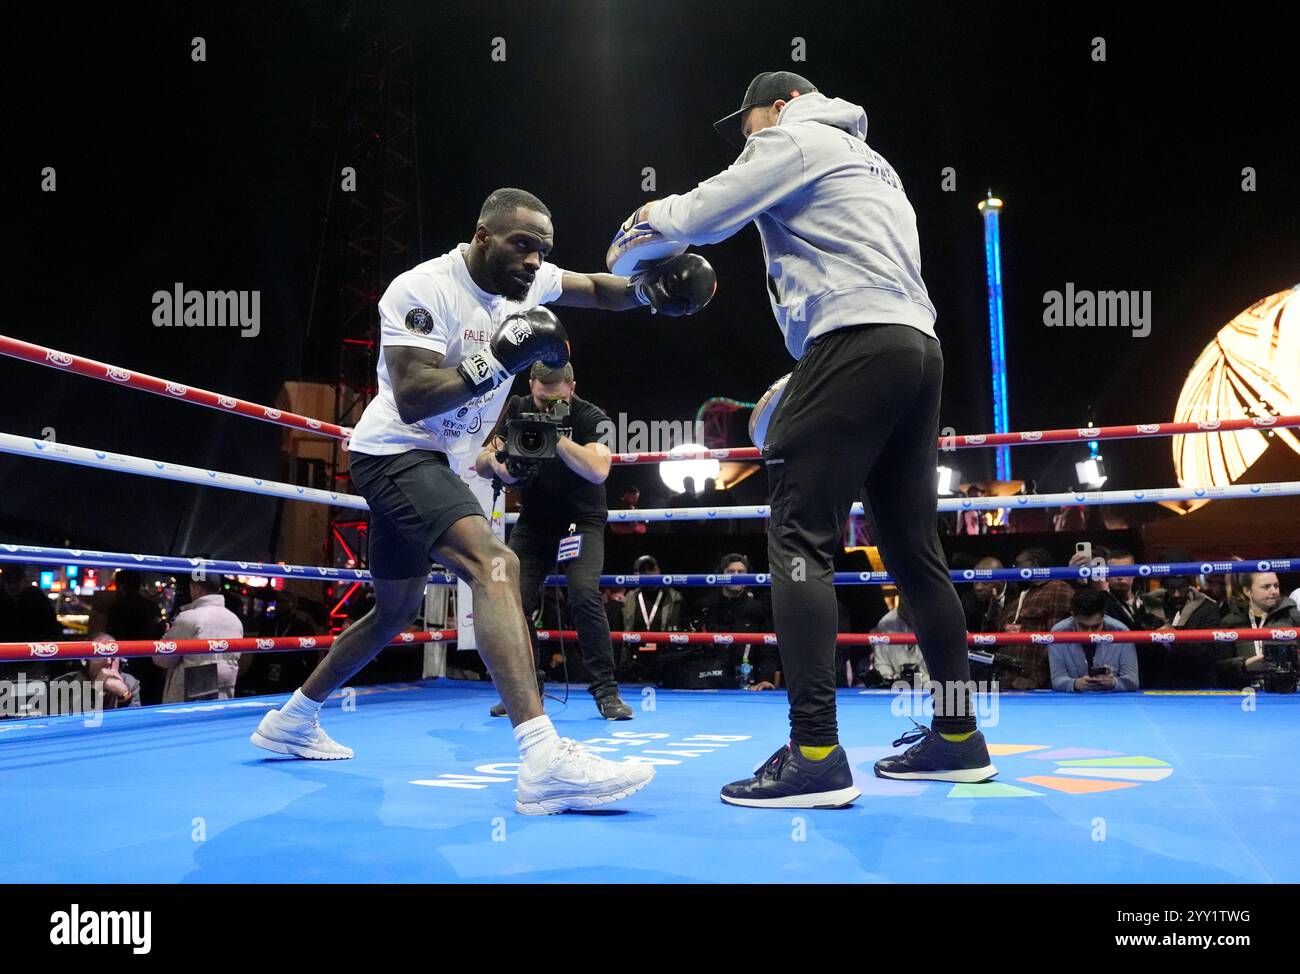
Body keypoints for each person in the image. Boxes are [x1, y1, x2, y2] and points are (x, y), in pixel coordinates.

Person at [253, 188, 711, 814]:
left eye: (542, 251)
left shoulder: (530, 286)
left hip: (436, 459)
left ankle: (292, 719)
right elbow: (413, 395)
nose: (533, 261)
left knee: (393, 612)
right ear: (482, 236)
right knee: (496, 564)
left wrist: (648, 293)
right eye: (522, 245)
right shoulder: (421, 289)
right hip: (394, 449)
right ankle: (542, 755)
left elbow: (598, 289)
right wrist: (497, 357)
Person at [635, 72, 996, 807]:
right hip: (916, 347)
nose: (748, 141)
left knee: (798, 535)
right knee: (914, 552)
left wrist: (643, 223)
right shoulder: (877, 165)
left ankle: (816, 755)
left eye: (750, 125)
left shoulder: (794, 135)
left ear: (778, 105)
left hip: (855, 341)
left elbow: (703, 216)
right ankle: (960, 737)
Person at [476, 361, 632, 719]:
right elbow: (482, 459)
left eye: (555, 401)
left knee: (582, 592)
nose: (546, 408)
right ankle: (526, 690)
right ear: (531, 385)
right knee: (512, 597)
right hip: (536, 520)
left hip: (581, 519)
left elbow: (598, 469)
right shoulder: (518, 407)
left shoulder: (590, 416)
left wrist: (554, 436)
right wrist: (501, 467)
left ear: (572, 386)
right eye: (542, 400)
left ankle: (606, 693)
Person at [154, 574, 244, 703]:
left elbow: (163, 659)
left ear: (196, 588)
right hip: (224, 697)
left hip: (188, 699)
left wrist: (166, 636)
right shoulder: (234, 620)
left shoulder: (189, 618)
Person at [1215, 572, 1300, 689]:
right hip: (1243, 693)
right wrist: (1245, 665)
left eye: (1276, 586)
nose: (1274, 591)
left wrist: (1289, 661)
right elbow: (1218, 668)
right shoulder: (1230, 622)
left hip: (1287, 691)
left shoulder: (1292, 617)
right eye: (1266, 587)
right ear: (1247, 591)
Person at [1048, 589, 1140, 693]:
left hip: (1112, 702)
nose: (1090, 633)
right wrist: (1075, 684)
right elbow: (1057, 679)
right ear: (1073, 615)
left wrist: (1113, 683)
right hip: (1073, 703)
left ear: (1104, 615)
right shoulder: (1058, 633)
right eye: (1083, 626)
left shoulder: (1121, 632)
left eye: (1096, 626)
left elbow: (1132, 680)